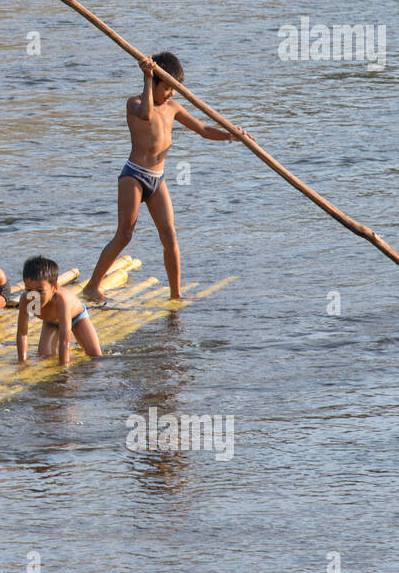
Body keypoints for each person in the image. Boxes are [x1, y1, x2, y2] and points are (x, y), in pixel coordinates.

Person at [81, 52, 250, 303]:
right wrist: (148, 78)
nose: (170, 94)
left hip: (157, 179)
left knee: (169, 235)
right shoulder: (134, 103)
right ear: (154, 83)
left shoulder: (173, 107)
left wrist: (231, 135)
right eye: (167, 88)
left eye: (174, 89)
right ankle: (92, 287)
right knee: (125, 235)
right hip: (134, 177)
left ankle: (175, 294)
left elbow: (203, 129)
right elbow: (147, 115)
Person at [17, 255, 102, 366]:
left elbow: (65, 340)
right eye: (28, 289)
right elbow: (22, 333)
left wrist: (64, 370)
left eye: (40, 290)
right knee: (44, 357)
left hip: (76, 318)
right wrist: (22, 361)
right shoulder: (25, 300)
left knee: (95, 357)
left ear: (54, 288)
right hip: (50, 321)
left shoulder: (61, 300)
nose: (34, 296)